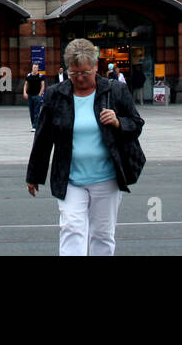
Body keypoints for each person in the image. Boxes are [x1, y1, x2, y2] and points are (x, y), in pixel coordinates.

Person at [26, 39, 145, 256]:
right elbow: (43, 138)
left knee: (102, 234)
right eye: (74, 73)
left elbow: (136, 124)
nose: (80, 78)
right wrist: (34, 175)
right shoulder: (56, 94)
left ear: (96, 66)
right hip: (70, 178)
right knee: (71, 228)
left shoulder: (115, 91)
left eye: (85, 72)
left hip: (106, 178)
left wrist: (119, 122)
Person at [24, 64, 47, 131]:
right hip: (30, 95)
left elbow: (43, 86)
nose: (35, 69)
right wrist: (25, 92)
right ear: (32, 68)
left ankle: (35, 126)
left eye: (36, 68)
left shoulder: (40, 76)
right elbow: (26, 85)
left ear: (38, 68)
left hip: (37, 95)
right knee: (31, 111)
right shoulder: (29, 76)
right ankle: (33, 124)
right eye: (34, 67)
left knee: (36, 111)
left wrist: (40, 94)